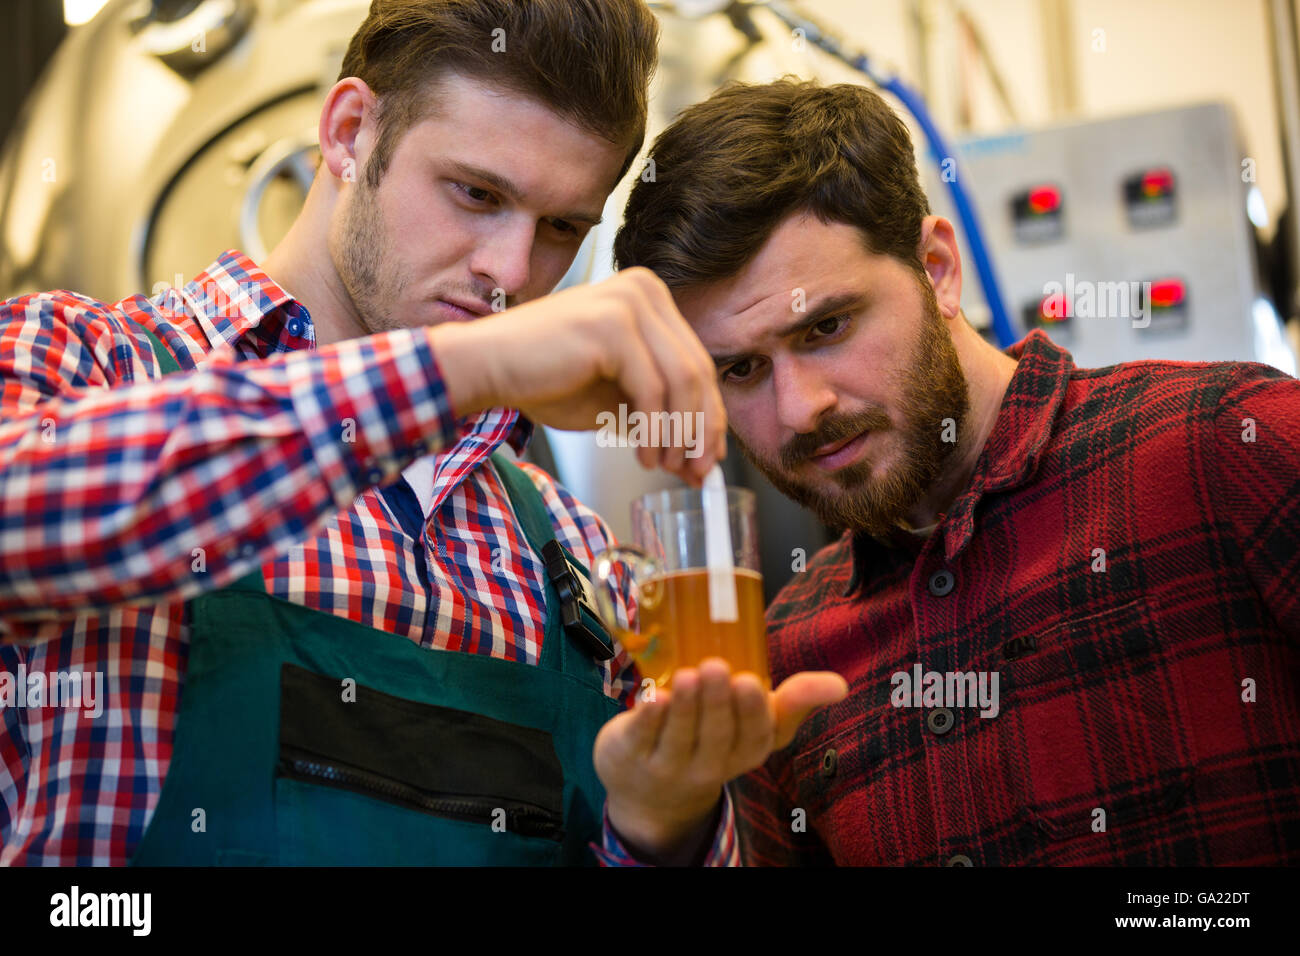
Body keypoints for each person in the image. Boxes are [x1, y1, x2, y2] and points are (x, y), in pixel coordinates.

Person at [0, 1, 844, 867]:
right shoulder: (80, 359)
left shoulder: (580, 563)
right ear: (350, 132)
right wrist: (467, 369)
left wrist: (663, 828)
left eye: (561, 229)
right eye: (477, 194)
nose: (510, 273)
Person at [611, 77, 1300, 865]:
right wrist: (660, 827)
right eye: (739, 371)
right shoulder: (786, 652)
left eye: (826, 326)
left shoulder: (1224, 445)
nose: (801, 408)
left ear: (937, 268)